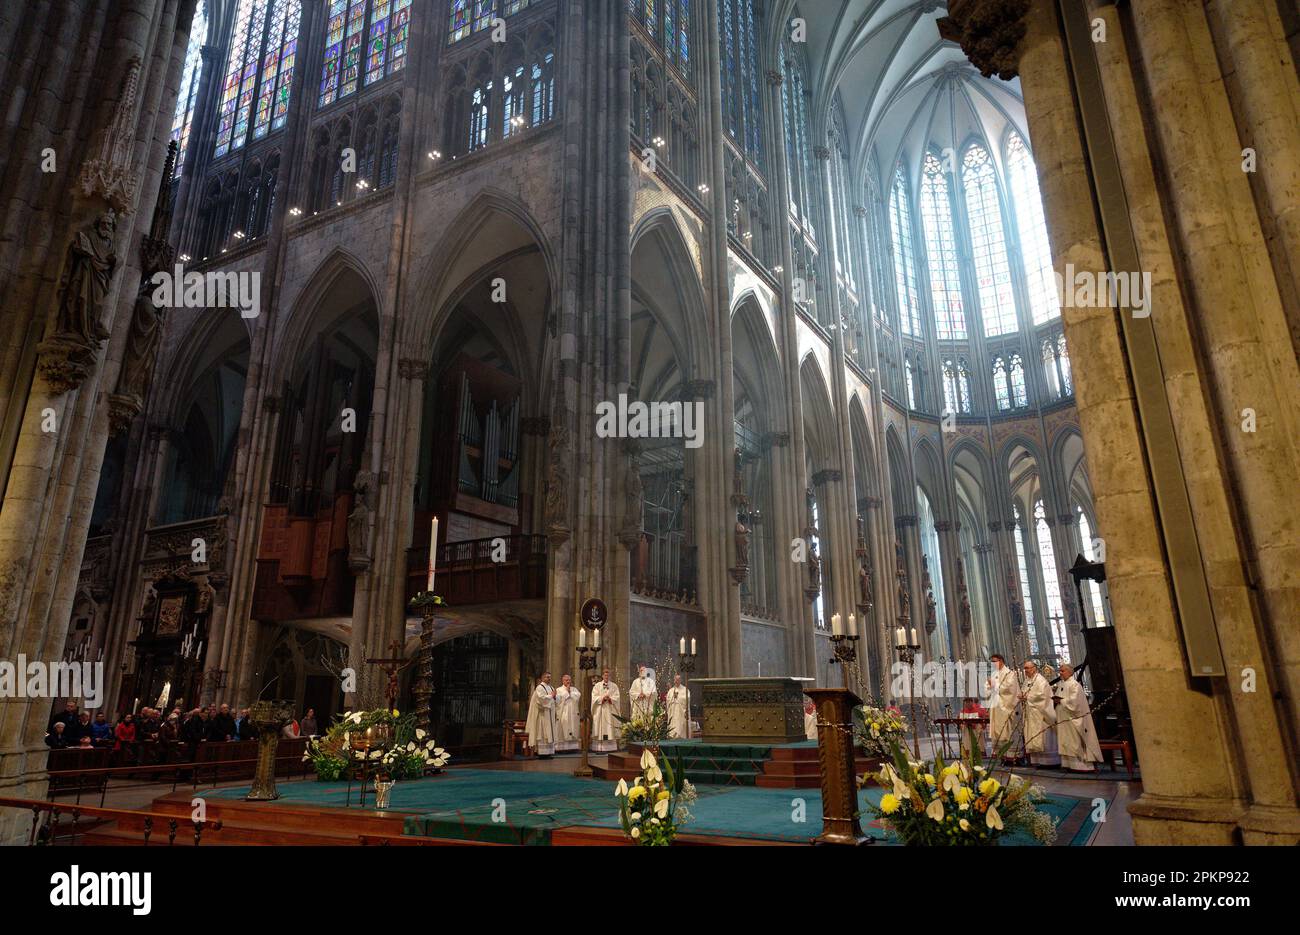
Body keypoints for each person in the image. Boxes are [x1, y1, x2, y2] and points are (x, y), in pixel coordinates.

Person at [1054, 663, 1104, 772]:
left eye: (1062, 671)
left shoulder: (1074, 685)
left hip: (1073, 718)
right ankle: (1068, 765)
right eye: (1060, 671)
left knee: (1074, 741)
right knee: (1066, 741)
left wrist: (1061, 700)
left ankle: (1081, 766)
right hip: (1063, 718)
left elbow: (1075, 703)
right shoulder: (1062, 684)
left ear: (1069, 672)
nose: (1060, 673)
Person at [1021, 660, 1058, 767]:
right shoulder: (1027, 680)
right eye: (1025, 668)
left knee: (1042, 735)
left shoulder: (1041, 681)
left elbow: (1042, 696)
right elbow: (1024, 692)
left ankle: (1049, 762)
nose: (1025, 671)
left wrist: (1027, 697)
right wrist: (1023, 696)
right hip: (1030, 712)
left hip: (1040, 714)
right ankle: (1037, 760)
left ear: (1034, 668)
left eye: (1027, 668)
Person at [985, 653, 1018, 755]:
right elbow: (986, 688)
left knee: (1005, 731)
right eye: (992, 662)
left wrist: (994, 686)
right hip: (995, 708)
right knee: (996, 731)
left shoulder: (1009, 674)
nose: (993, 664)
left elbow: (1009, 688)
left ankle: (1009, 755)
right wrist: (989, 688)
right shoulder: (994, 674)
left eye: (994, 662)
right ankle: (1000, 755)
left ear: (1001, 661)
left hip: (1005, 707)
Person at [525, 672, 556, 757]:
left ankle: (549, 752)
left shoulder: (551, 687)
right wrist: (551, 696)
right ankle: (542, 753)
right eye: (547, 677)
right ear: (542, 678)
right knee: (542, 732)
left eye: (549, 677)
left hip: (549, 714)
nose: (549, 679)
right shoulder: (540, 687)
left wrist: (556, 697)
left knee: (549, 732)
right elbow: (541, 699)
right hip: (542, 715)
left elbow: (554, 698)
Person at [590, 668, 621, 753]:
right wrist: (602, 699)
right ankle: (599, 748)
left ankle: (610, 748)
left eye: (608, 675)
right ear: (602, 676)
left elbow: (617, 697)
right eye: (605, 674)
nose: (606, 676)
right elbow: (594, 697)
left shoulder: (614, 686)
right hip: (601, 710)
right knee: (601, 727)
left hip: (610, 711)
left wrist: (610, 699)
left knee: (610, 728)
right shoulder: (597, 686)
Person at [554, 674, 581, 753]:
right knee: (563, 728)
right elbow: (558, 700)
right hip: (564, 713)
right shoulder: (559, 689)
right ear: (563, 681)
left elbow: (578, 696)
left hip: (573, 714)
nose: (568, 681)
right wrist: (567, 692)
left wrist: (570, 692)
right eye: (566, 680)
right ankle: (562, 748)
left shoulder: (574, 689)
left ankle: (573, 748)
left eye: (569, 680)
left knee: (573, 728)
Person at [666, 674, 689, 739]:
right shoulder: (671, 690)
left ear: (680, 680)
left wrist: (678, 698)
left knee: (680, 727)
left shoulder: (685, 690)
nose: (676, 681)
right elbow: (668, 700)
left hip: (680, 712)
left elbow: (687, 698)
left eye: (678, 680)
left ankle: (681, 737)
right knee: (673, 728)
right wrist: (673, 698)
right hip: (673, 712)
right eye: (675, 680)